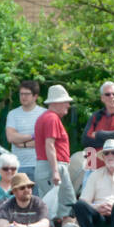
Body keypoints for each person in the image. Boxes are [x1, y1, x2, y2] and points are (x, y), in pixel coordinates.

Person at [34, 85, 76, 216]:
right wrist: (55, 171)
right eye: (65, 102)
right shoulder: (52, 118)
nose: (68, 105)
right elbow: (50, 145)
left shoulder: (44, 117)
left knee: (49, 207)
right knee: (67, 205)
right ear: (56, 103)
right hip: (53, 166)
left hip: (48, 167)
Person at [80, 81, 114, 176]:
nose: (112, 97)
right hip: (93, 168)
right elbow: (85, 141)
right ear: (102, 98)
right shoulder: (95, 116)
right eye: (107, 94)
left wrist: (98, 134)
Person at [5, 79, 44, 179]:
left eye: (27, 94)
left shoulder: (44, 114)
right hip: (17, 166)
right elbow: (11, 137)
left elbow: (44, 141)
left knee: (39, 195)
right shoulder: (13, 114)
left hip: (39, 165)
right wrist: (32, 136)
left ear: (35, 96)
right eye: (21, 94)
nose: (23, 97)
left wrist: (22, 144)